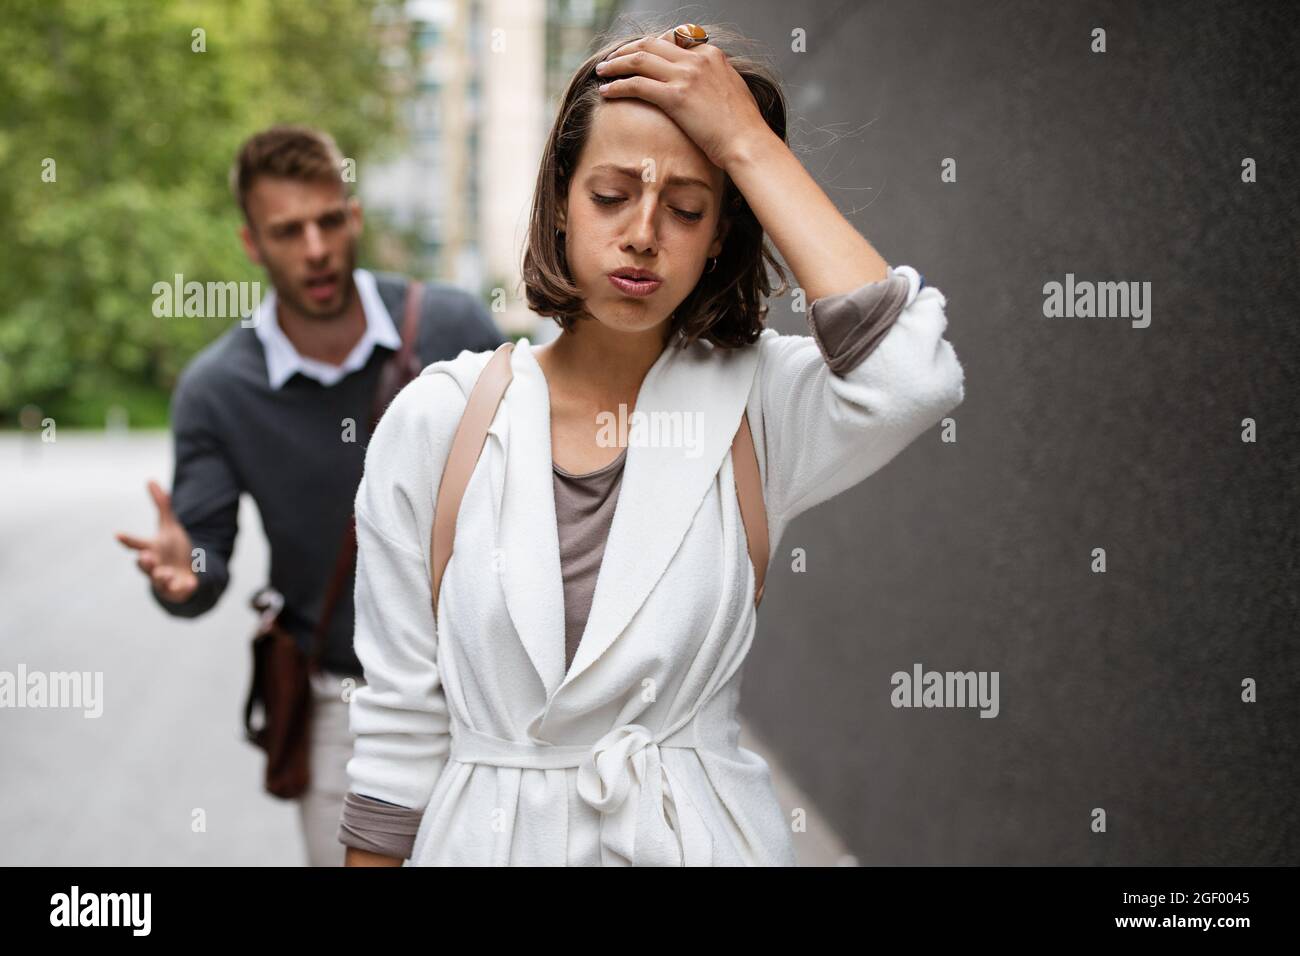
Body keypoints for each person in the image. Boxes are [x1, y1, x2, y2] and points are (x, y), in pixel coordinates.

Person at [336, 20, 965, 866]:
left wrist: (746, 142)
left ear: (717, 238)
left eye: (685, 207)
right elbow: (399, 731)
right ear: (560, 203)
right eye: (610, 195)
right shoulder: (438, 420)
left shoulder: (759, 404)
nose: (642, 233)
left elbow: (911, 377)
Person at [113, 125, 505, 866]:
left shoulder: (456, 328)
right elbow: (204, 557)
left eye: (329, 221)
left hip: (492, 693)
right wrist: (184, 571)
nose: (316, 248)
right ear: (252, 244)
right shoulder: (218, 391)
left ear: (353, 218)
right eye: (288, 231)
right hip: (344, 706)